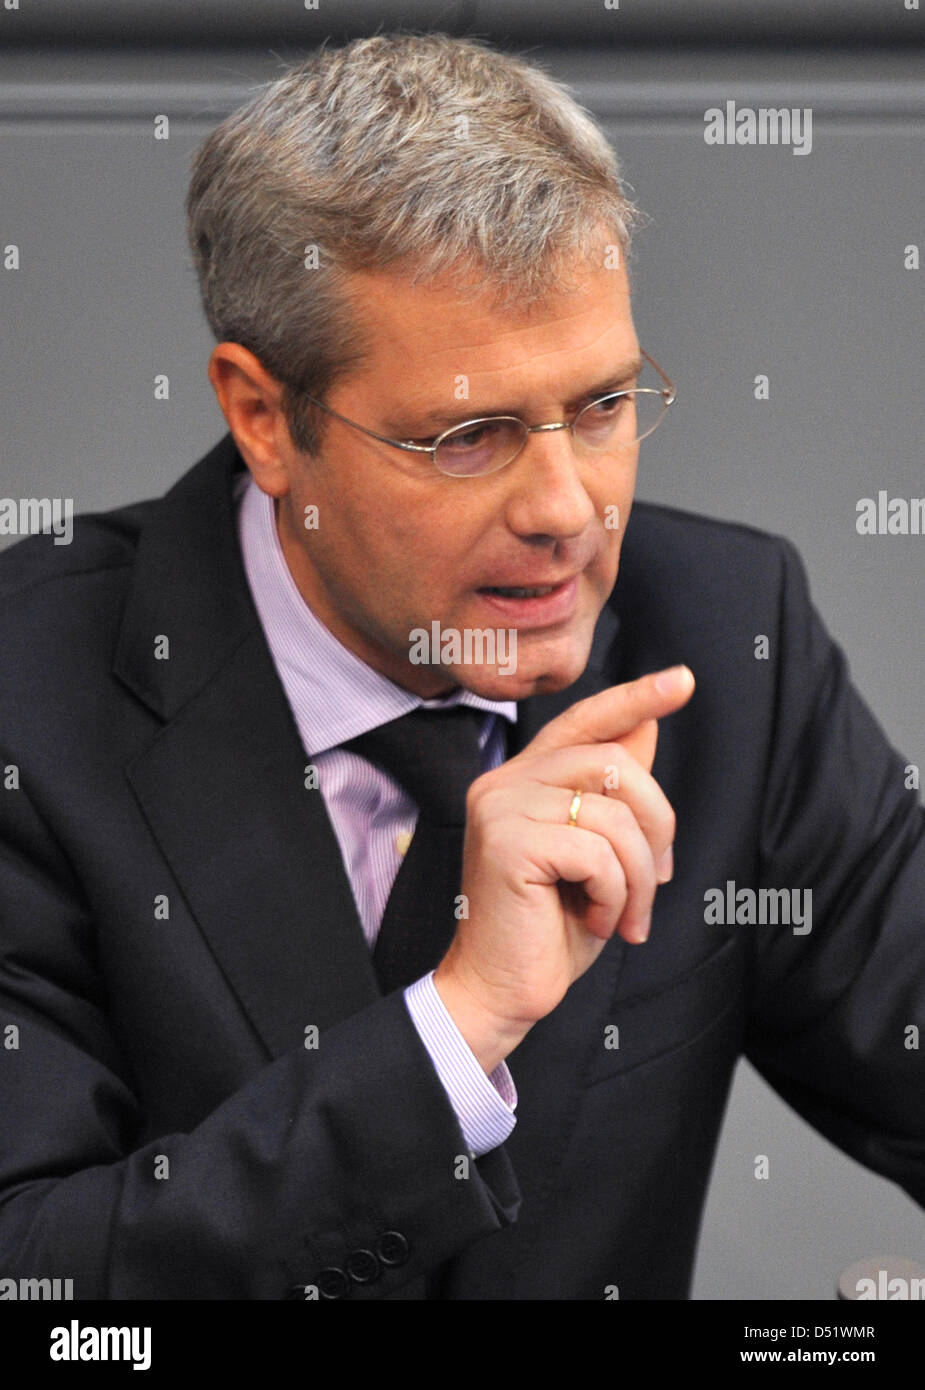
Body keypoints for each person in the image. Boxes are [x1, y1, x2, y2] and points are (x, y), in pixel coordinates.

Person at [0, 32, 922, 1301]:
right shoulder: (27, 691)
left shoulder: (723, 640)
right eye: (469, 435)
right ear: (264, 417)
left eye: (601, 407)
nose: (566, 508)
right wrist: (455, 1025)